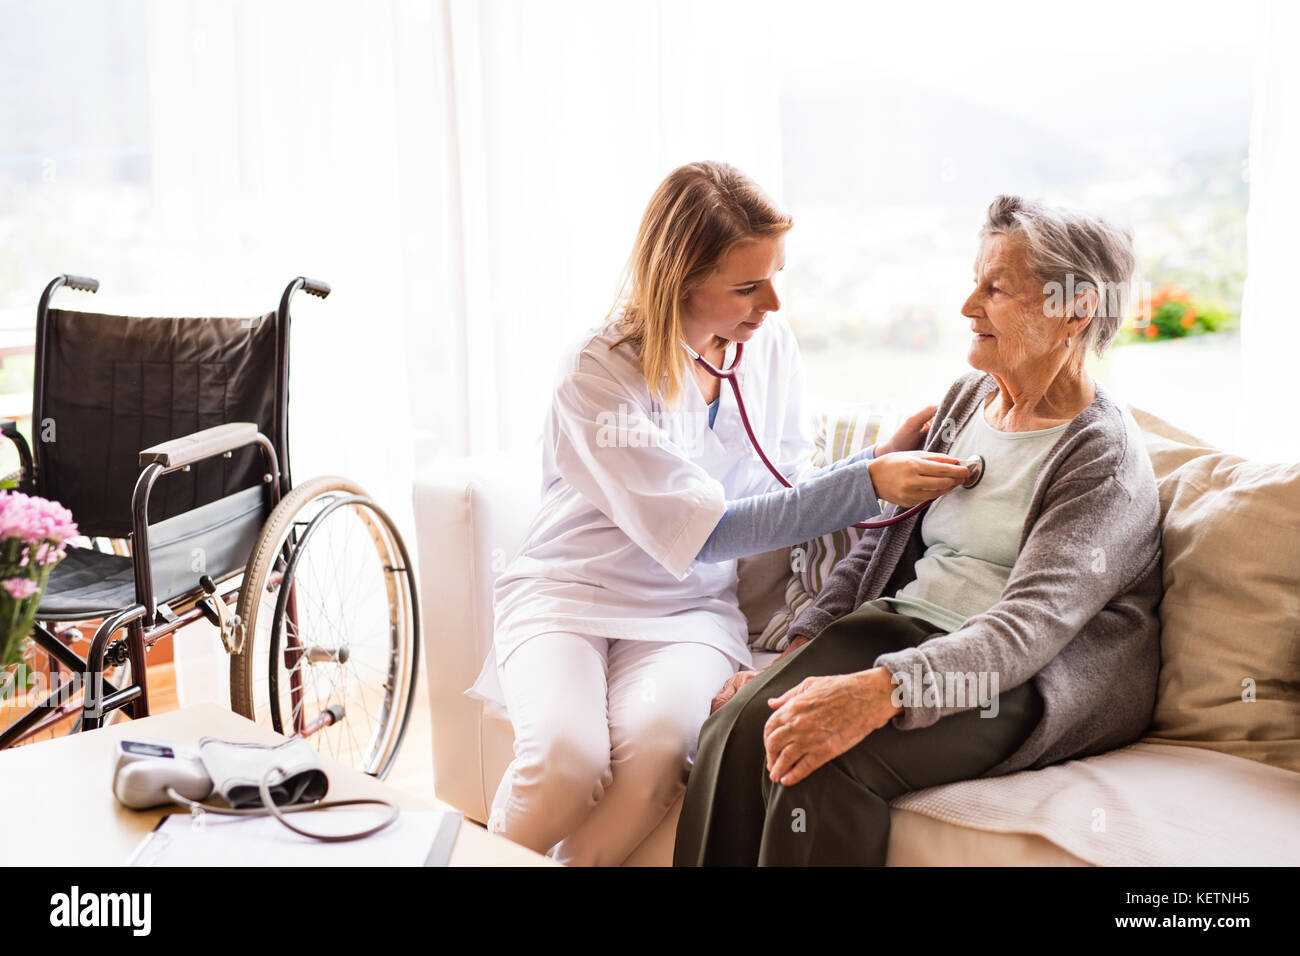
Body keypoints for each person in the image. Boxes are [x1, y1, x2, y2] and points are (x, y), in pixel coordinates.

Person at [469, 161, 971, 865]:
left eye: (775, 277)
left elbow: (784, 486)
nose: (770, 303)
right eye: (745, 286)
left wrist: (875, 467)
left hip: (687, 611)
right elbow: (717, 531)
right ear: (678, 280)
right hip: (568, 594)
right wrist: (868, 482)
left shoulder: (769, 350)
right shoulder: (598, 369)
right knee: (564, 763)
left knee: (656, 758)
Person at [675, 194, 1164, 866]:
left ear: (1074, 309)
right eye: (975, 281)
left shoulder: (1100, 459)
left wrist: (881, 691)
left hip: (1017, 679)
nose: (969, 307)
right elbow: (882, 542)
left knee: (816, 761)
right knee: (736, 728)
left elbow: (1027, 630)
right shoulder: (969, 398)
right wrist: (799, 648)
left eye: (995, 289)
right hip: (904, 627)